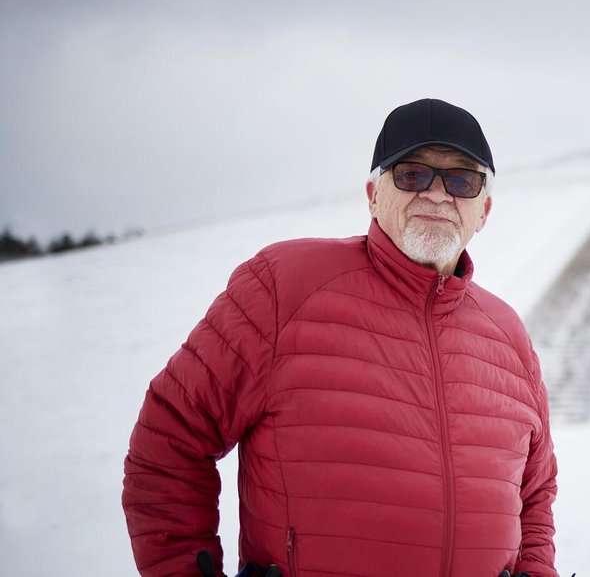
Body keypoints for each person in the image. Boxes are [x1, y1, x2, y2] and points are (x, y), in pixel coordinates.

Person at [122, 98, 559, 577]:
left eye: (461, 180)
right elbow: (170, 437)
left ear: (484, 209)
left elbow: (534, 494)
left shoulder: (508, 335)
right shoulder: (284, 287)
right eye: (411, 174)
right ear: (373, 194)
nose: (437, 194)